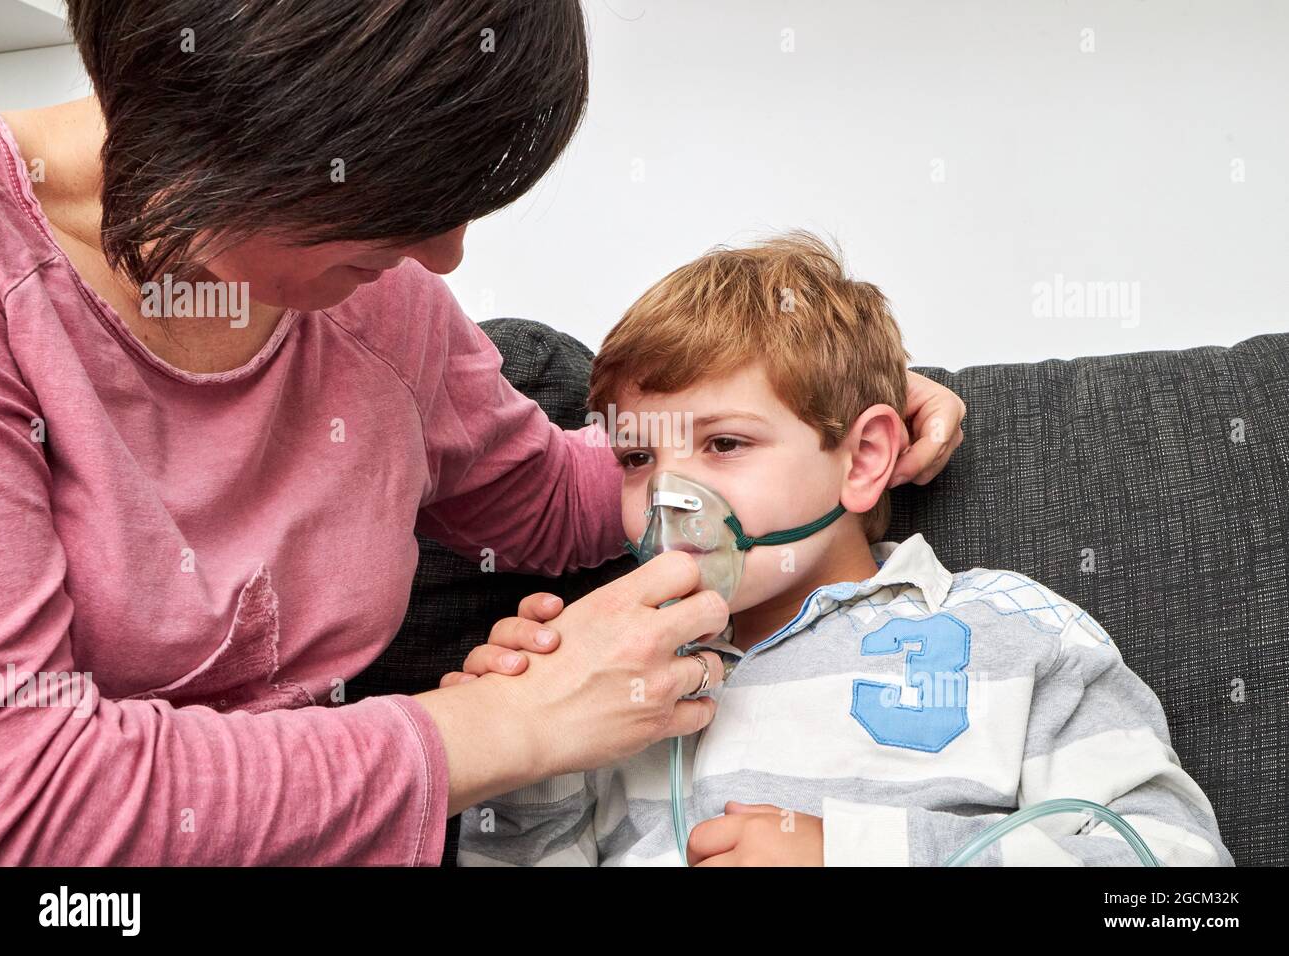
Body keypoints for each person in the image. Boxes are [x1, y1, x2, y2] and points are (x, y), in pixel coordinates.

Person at [0, 2, 966, 864]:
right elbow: (21, 795)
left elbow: (554, 494)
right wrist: (507, 724)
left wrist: (800, 416)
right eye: (397, 193)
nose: (445, 257)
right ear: (236, 123)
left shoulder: (389, 310)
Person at [456, 232, 1232, 866]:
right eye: (636, 459)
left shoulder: (1012, 634)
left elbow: (1175, 876)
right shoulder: (616, 675)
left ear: (861, 460)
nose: (668, 498)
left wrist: (852, 855)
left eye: (725, 443)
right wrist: (530, 751)